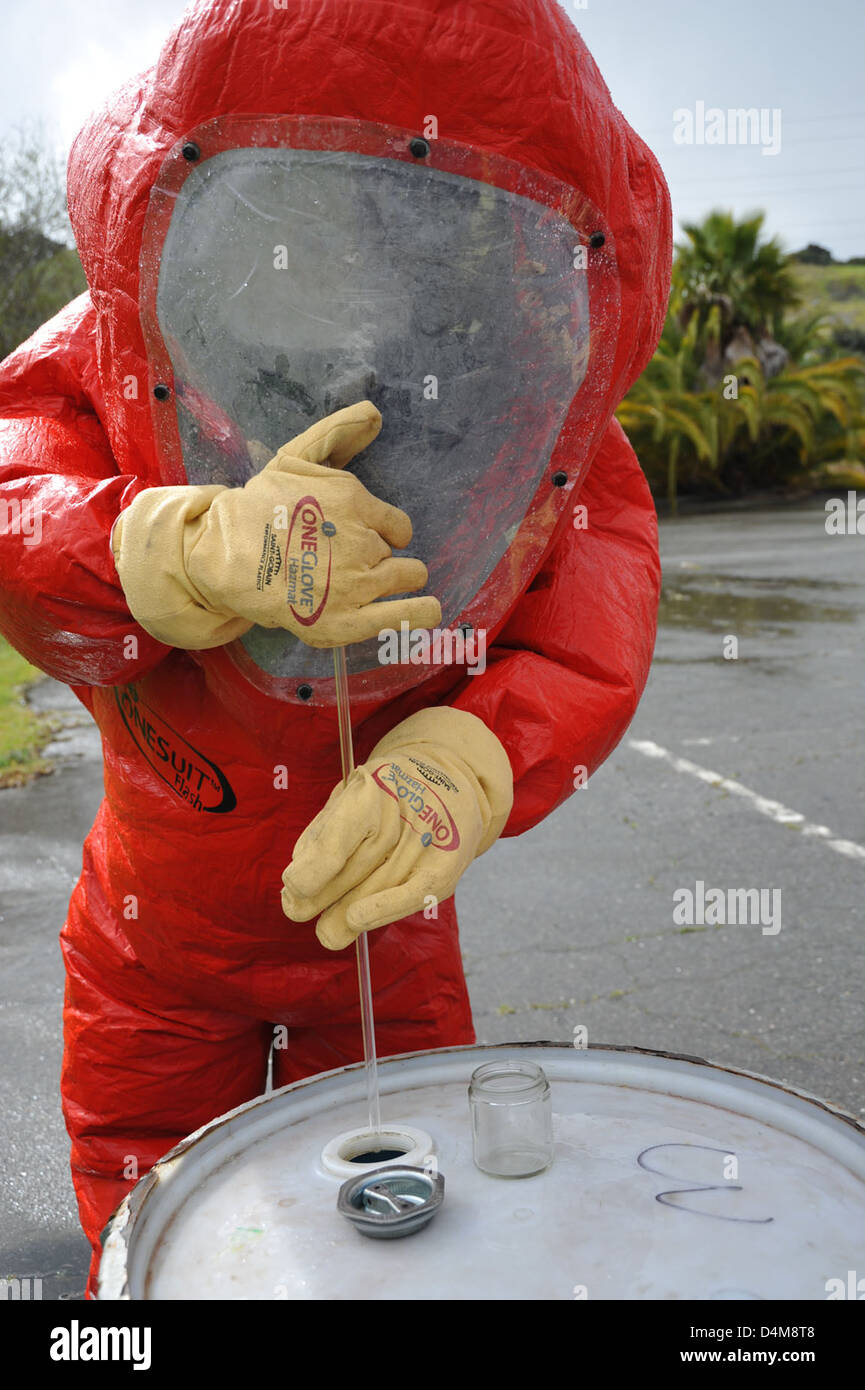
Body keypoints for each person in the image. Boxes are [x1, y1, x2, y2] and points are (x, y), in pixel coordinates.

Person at [0, 0, 671, 1297]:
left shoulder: (521, 404)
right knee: (149, 1230)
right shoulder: (112, 349)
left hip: (381, 940)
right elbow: (15, 492)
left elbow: (601, 578)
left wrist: (475, 749)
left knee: (407, 1233)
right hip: (155, 938)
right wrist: (168, 545)